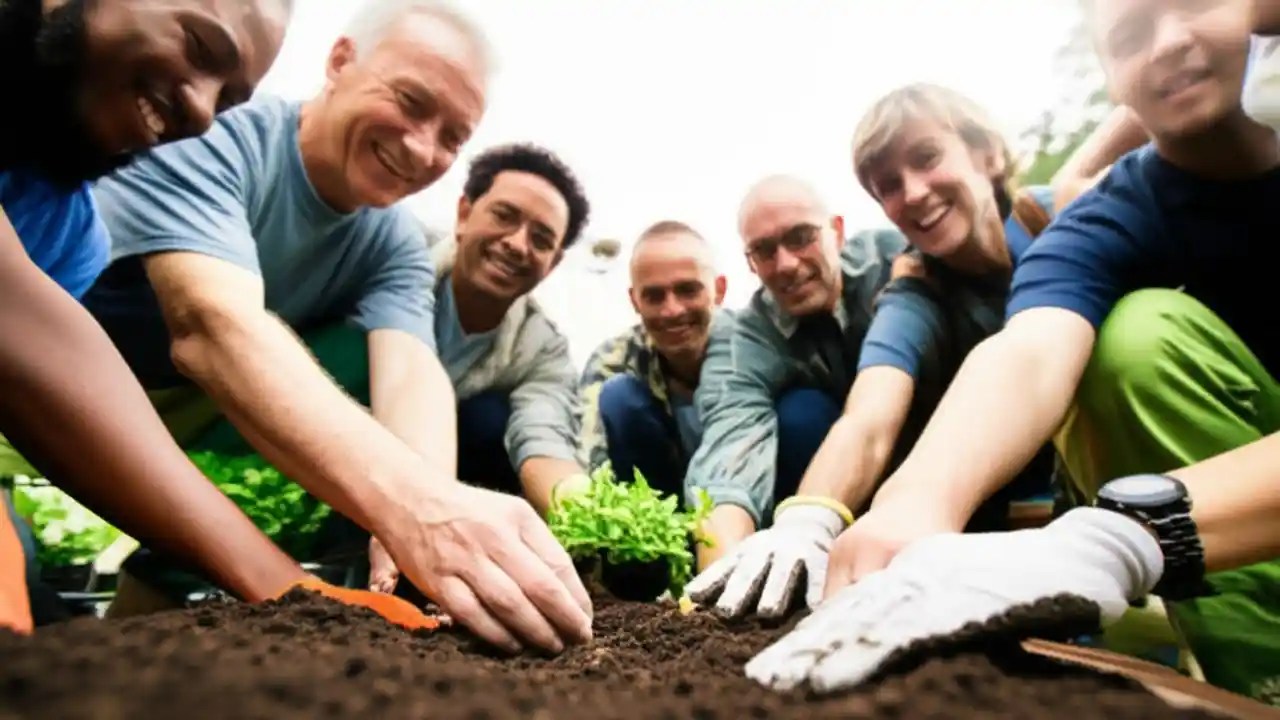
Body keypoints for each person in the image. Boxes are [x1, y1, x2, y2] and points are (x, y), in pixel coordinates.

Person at [744, 0, 1280, 702]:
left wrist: (1126, 536)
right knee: (1124, 345)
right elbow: (1020, 355)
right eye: (1129, 36)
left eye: (927, 159)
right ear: (1112, 75)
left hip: (1168, 498)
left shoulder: (1060, 207)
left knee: (1132, 333)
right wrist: (893, 511)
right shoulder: (1075, 235)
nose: (1168, 43)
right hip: (1083, 500)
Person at [47, 1, 589, 655]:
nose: (422, 148)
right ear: (339, 62)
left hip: (184, 419)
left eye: (452, 137)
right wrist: (413, 504)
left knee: (362, 375)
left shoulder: (393, 241)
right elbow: (212, 326)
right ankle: (146, 605)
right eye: (410, 102)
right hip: (46, 391)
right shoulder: (215, 131)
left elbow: (412, 374)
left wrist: (429, 512)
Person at [0, 0, 429, 636]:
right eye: (200, 47)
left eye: (227, 98)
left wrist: (296, 592)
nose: (202, 111)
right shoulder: (235, 154)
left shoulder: (70, 234)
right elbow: (205, 322)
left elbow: (52, 384)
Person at [685, 84, 1059, 620]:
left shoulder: (1061, 218)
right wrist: (805, 522)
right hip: (933, 469)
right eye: (889, 186)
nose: (915, 193)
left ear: (988, 154)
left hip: (1051, 444)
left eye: (927, 158)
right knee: (806, 414)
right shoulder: (911, 287)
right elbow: (868, 416)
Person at [683, 176, 907, 572]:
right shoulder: (753, 334)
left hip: (932, 445)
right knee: (802, 412)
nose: (786, 264)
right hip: (832, 487)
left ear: (836, 232)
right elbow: (732, 442)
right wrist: (722, 570)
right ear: (750, 263)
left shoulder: (896, 262)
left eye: (801, 237)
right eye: (764, 251)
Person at [575, 221, 728, 499]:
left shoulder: (754, 345)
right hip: (660, 497)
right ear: (635, 301)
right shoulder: (614, 358)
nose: (672, 310)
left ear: (719, 290)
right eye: (654, 296)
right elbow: (588, 447)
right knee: (619, 396)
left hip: (750, 493)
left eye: (688, 290)